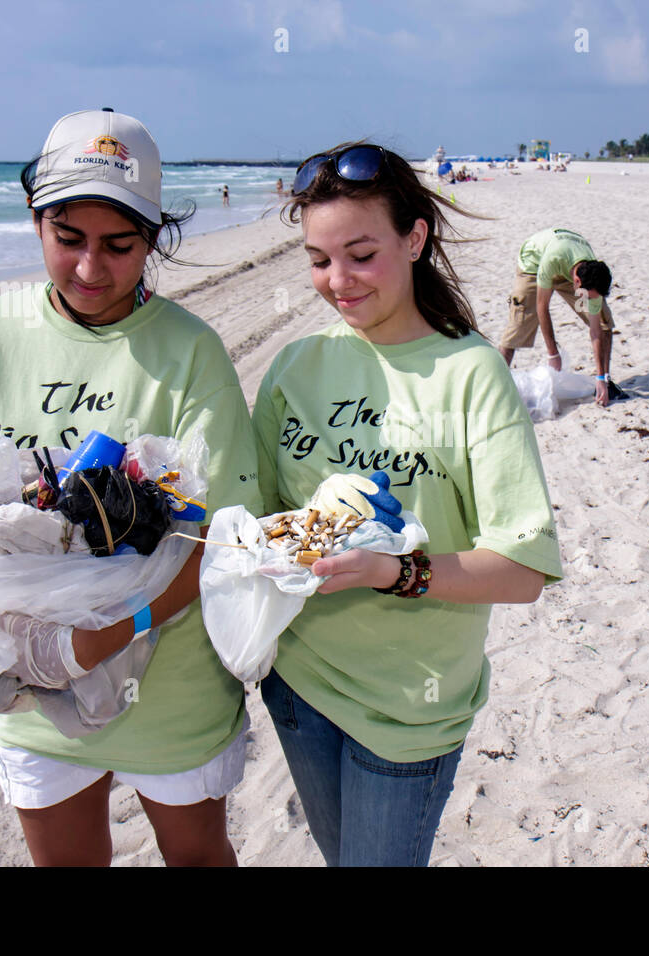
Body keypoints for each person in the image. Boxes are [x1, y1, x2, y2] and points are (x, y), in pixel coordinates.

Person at [0, 108, 263, 865]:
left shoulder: (191, 353)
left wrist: (99, 638)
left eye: (120, 245)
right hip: (31, 685)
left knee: (198, 855)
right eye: (66, 239)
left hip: (170, 678)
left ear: (154, 238)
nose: (90, 268)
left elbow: (220, 533)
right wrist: (35, 650)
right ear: (33, 218)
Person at [253, 142, 562, 866]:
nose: (338, 281)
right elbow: (256, 517)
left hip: (410, 710)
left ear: (415, 238)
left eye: (360, 255)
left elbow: (524, 570)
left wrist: (391, 570)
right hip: (299, 685)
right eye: (319, 260)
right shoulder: (297, 366)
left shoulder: (470, 374)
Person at [497, 226, 618, 406]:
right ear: (577, 283)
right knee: (518, 326)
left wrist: (600, 377)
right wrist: (553, 354)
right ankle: (495, 386)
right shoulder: (553, 259)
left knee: (603, 322)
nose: (592, 300)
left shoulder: (592, 275)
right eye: (590, 296)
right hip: (534, 263)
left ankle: (606, 383)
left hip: (568, 266)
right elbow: (542, 307)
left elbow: (595, 330)